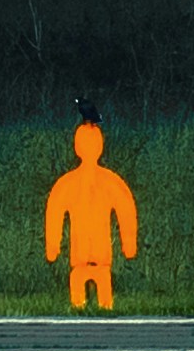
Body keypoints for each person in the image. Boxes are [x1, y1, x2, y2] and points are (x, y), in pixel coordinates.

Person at [44, 122, 138, 312]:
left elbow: (54, 213)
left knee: (90, 286)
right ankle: (96, 313)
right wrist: (128, 245)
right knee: (92, 286)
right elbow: (126, 210)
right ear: (100, 146)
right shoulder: (109, 181)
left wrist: (52, 248)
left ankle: (88, 313)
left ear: (76, 147)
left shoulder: (68, 183)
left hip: (83, 256)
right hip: (96, 255)